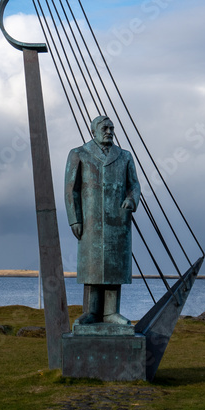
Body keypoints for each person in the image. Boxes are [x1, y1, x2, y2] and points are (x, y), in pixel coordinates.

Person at [64, 116, 140, 326]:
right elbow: (72, 190)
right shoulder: (79, 154)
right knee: (93, 266)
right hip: (91, 221)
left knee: (115, 268)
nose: (109, 131)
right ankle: (91, 312)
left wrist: (131, 200)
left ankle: (111, 313)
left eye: (111, 128)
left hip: (118, 221)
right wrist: (74, 219)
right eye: (104, 128)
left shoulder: (125, 156)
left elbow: (134, 185)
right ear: (93, 131)